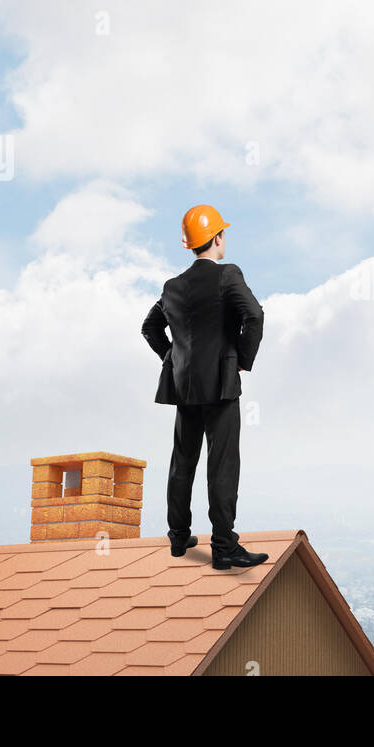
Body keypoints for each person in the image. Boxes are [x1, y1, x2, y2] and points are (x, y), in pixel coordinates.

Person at [141, 204, 268, 570]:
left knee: (183, 462)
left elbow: (149, 328)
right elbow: (254, 315)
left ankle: (179, 537)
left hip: (185, 388)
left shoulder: (173, 287)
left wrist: (174, 359)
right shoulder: (228, 276)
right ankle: (224, 547)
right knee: (222, 465)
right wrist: (242, 358)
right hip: (222, 386)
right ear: (217, 238)